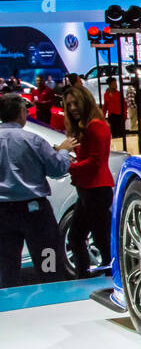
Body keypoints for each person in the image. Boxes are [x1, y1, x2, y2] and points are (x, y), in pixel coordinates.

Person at [0, 92, 71, 287]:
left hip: (3, 213)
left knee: (7, 267)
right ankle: (52, 299)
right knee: (48, 262)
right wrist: (63, 150)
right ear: (22, 112)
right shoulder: (34, 140)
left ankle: (10, 309)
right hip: (35, 213)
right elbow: (57, 170)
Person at [60, 85, 114, 277]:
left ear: (85, 101)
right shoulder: (88, 126)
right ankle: (85, 277)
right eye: (69, 105)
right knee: (78, 237)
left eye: (75, 103)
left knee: (102, 240)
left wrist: (69, 165)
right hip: (88, 189)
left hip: (96, 189)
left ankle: (110, 280)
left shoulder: (95, 126)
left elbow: (95, 161)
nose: (73, 108)